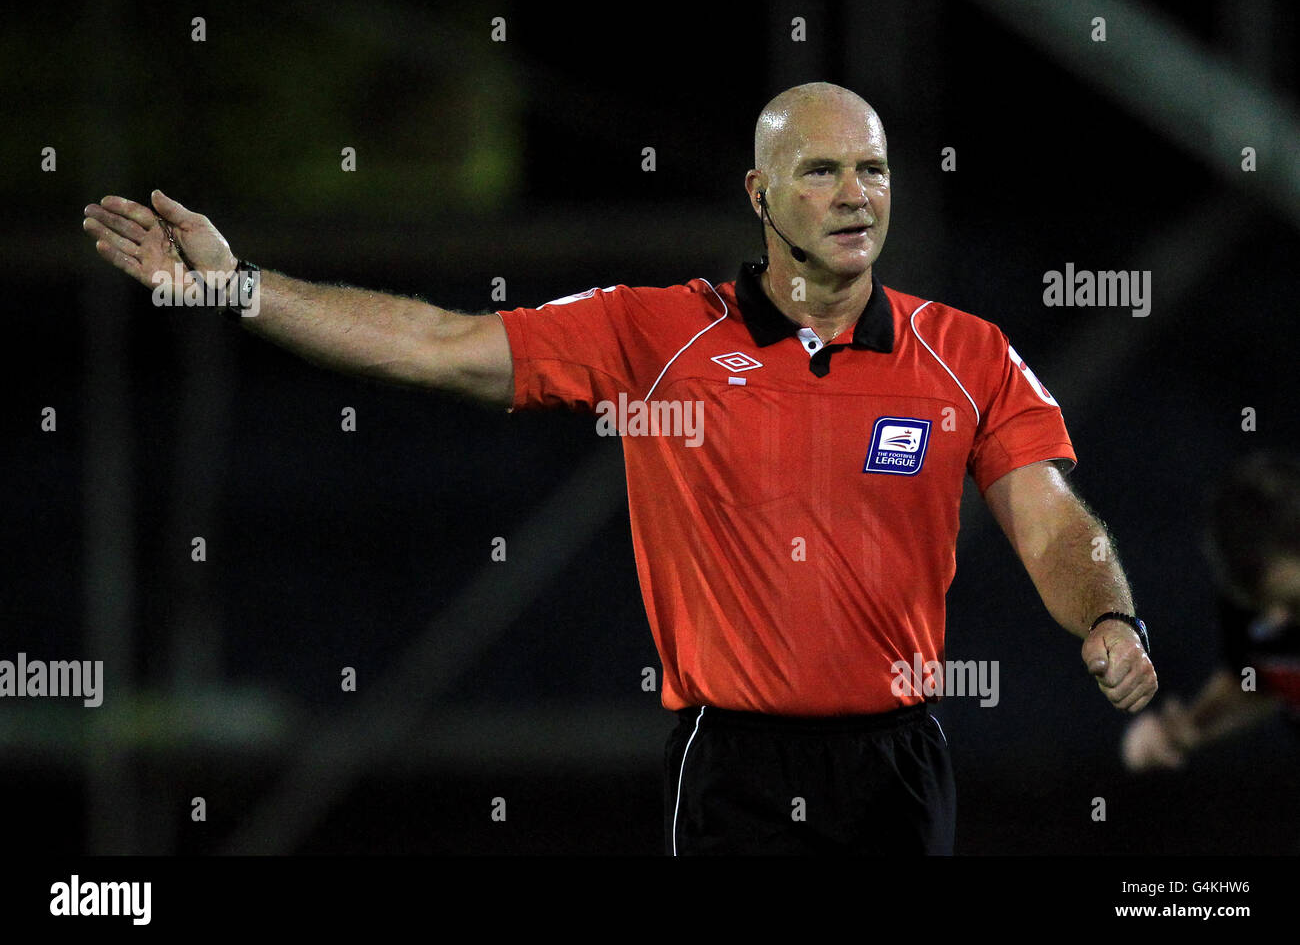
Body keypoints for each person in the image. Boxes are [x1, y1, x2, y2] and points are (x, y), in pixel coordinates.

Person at [82, 81, 1158, 855]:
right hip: (733, 763)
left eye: (870, 168)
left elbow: (1052, 518)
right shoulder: (654, 334)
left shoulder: (964, 352)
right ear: (758, 191)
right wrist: (242, 288)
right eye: (819, 169)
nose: (852, 194)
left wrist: (1108, 618)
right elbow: (437, 344)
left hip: (899, 764)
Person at [1122, 452, 1299, 772]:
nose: (1277, 620)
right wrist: (1188, 725)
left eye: (1294, 603)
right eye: (1262, 604)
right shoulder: (1249, 602)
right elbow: (1259, 679)